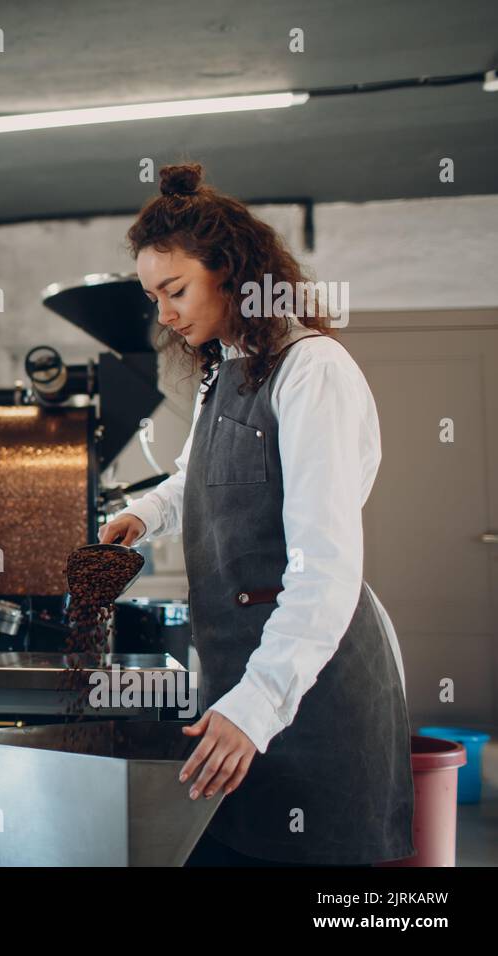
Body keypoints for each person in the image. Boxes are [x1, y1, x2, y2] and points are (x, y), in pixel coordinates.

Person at [100, 163, 414, 866]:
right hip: (240, 678)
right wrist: (143, 516)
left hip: (312, 687)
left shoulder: (312, 371)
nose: (166, 315)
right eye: (154, 297)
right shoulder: (228, 371)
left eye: (175, 290)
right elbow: (199, 476)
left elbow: (325, 569)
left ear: (233, 274)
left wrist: (256, 705)